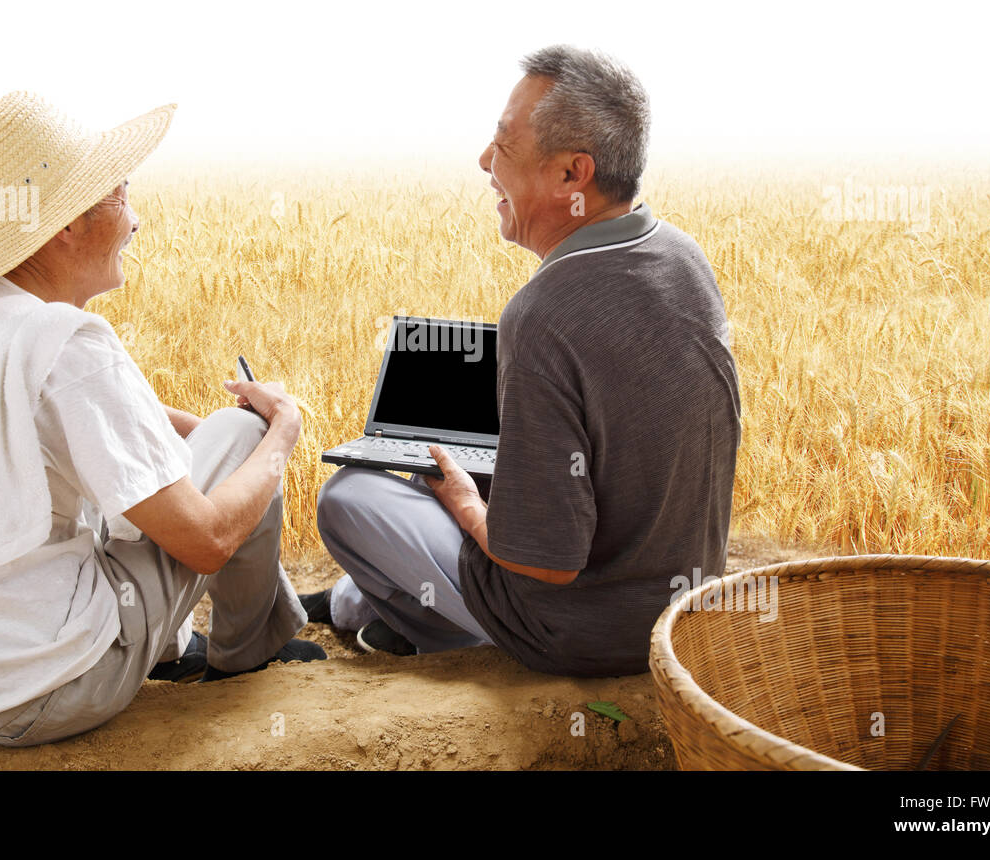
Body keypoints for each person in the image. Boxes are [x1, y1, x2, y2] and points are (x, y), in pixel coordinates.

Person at [0, 91, 322, 748]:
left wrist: (196, 427)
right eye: (122, 193)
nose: (137, 221)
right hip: (57, 688)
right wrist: (281, 430)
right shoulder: (66, 342)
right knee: (242, 439)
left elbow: (109, 424)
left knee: (142, 470)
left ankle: (174, 649)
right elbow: (205, 541)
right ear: (67, 223)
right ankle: (246, 656)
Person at [304, 45, 741, 677]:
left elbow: (549, 562)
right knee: (470, 481)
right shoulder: (683, 256)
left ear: (573, 175)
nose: (485, 161)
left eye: (504, 145)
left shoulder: (542, 314)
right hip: (679, 611)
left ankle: (443, 637)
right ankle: (369, 607)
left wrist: (467, 505)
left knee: (349, 496)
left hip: (581, 631)